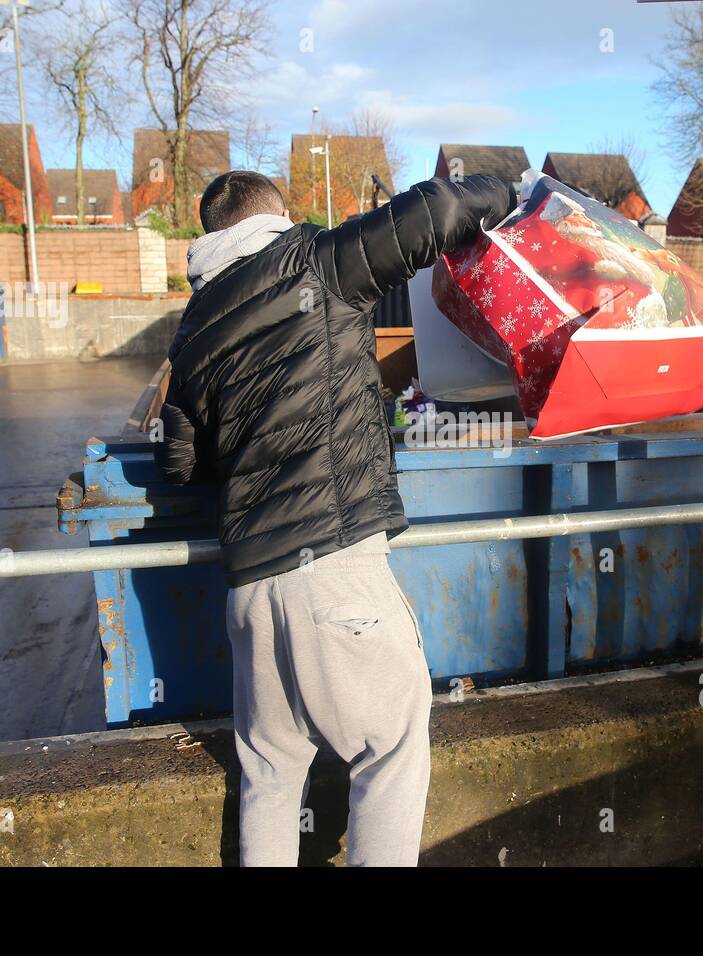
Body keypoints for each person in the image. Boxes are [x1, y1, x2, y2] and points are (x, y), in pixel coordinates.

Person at [153, 169, 518, 866]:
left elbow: (179, 463)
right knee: (391, 749)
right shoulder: (316, 262)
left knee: (269, 770)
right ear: (278, 216)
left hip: (250, 594)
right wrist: (513, 191)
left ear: (210, 236)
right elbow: (438, 210)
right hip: (334, 570)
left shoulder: (192, 329)